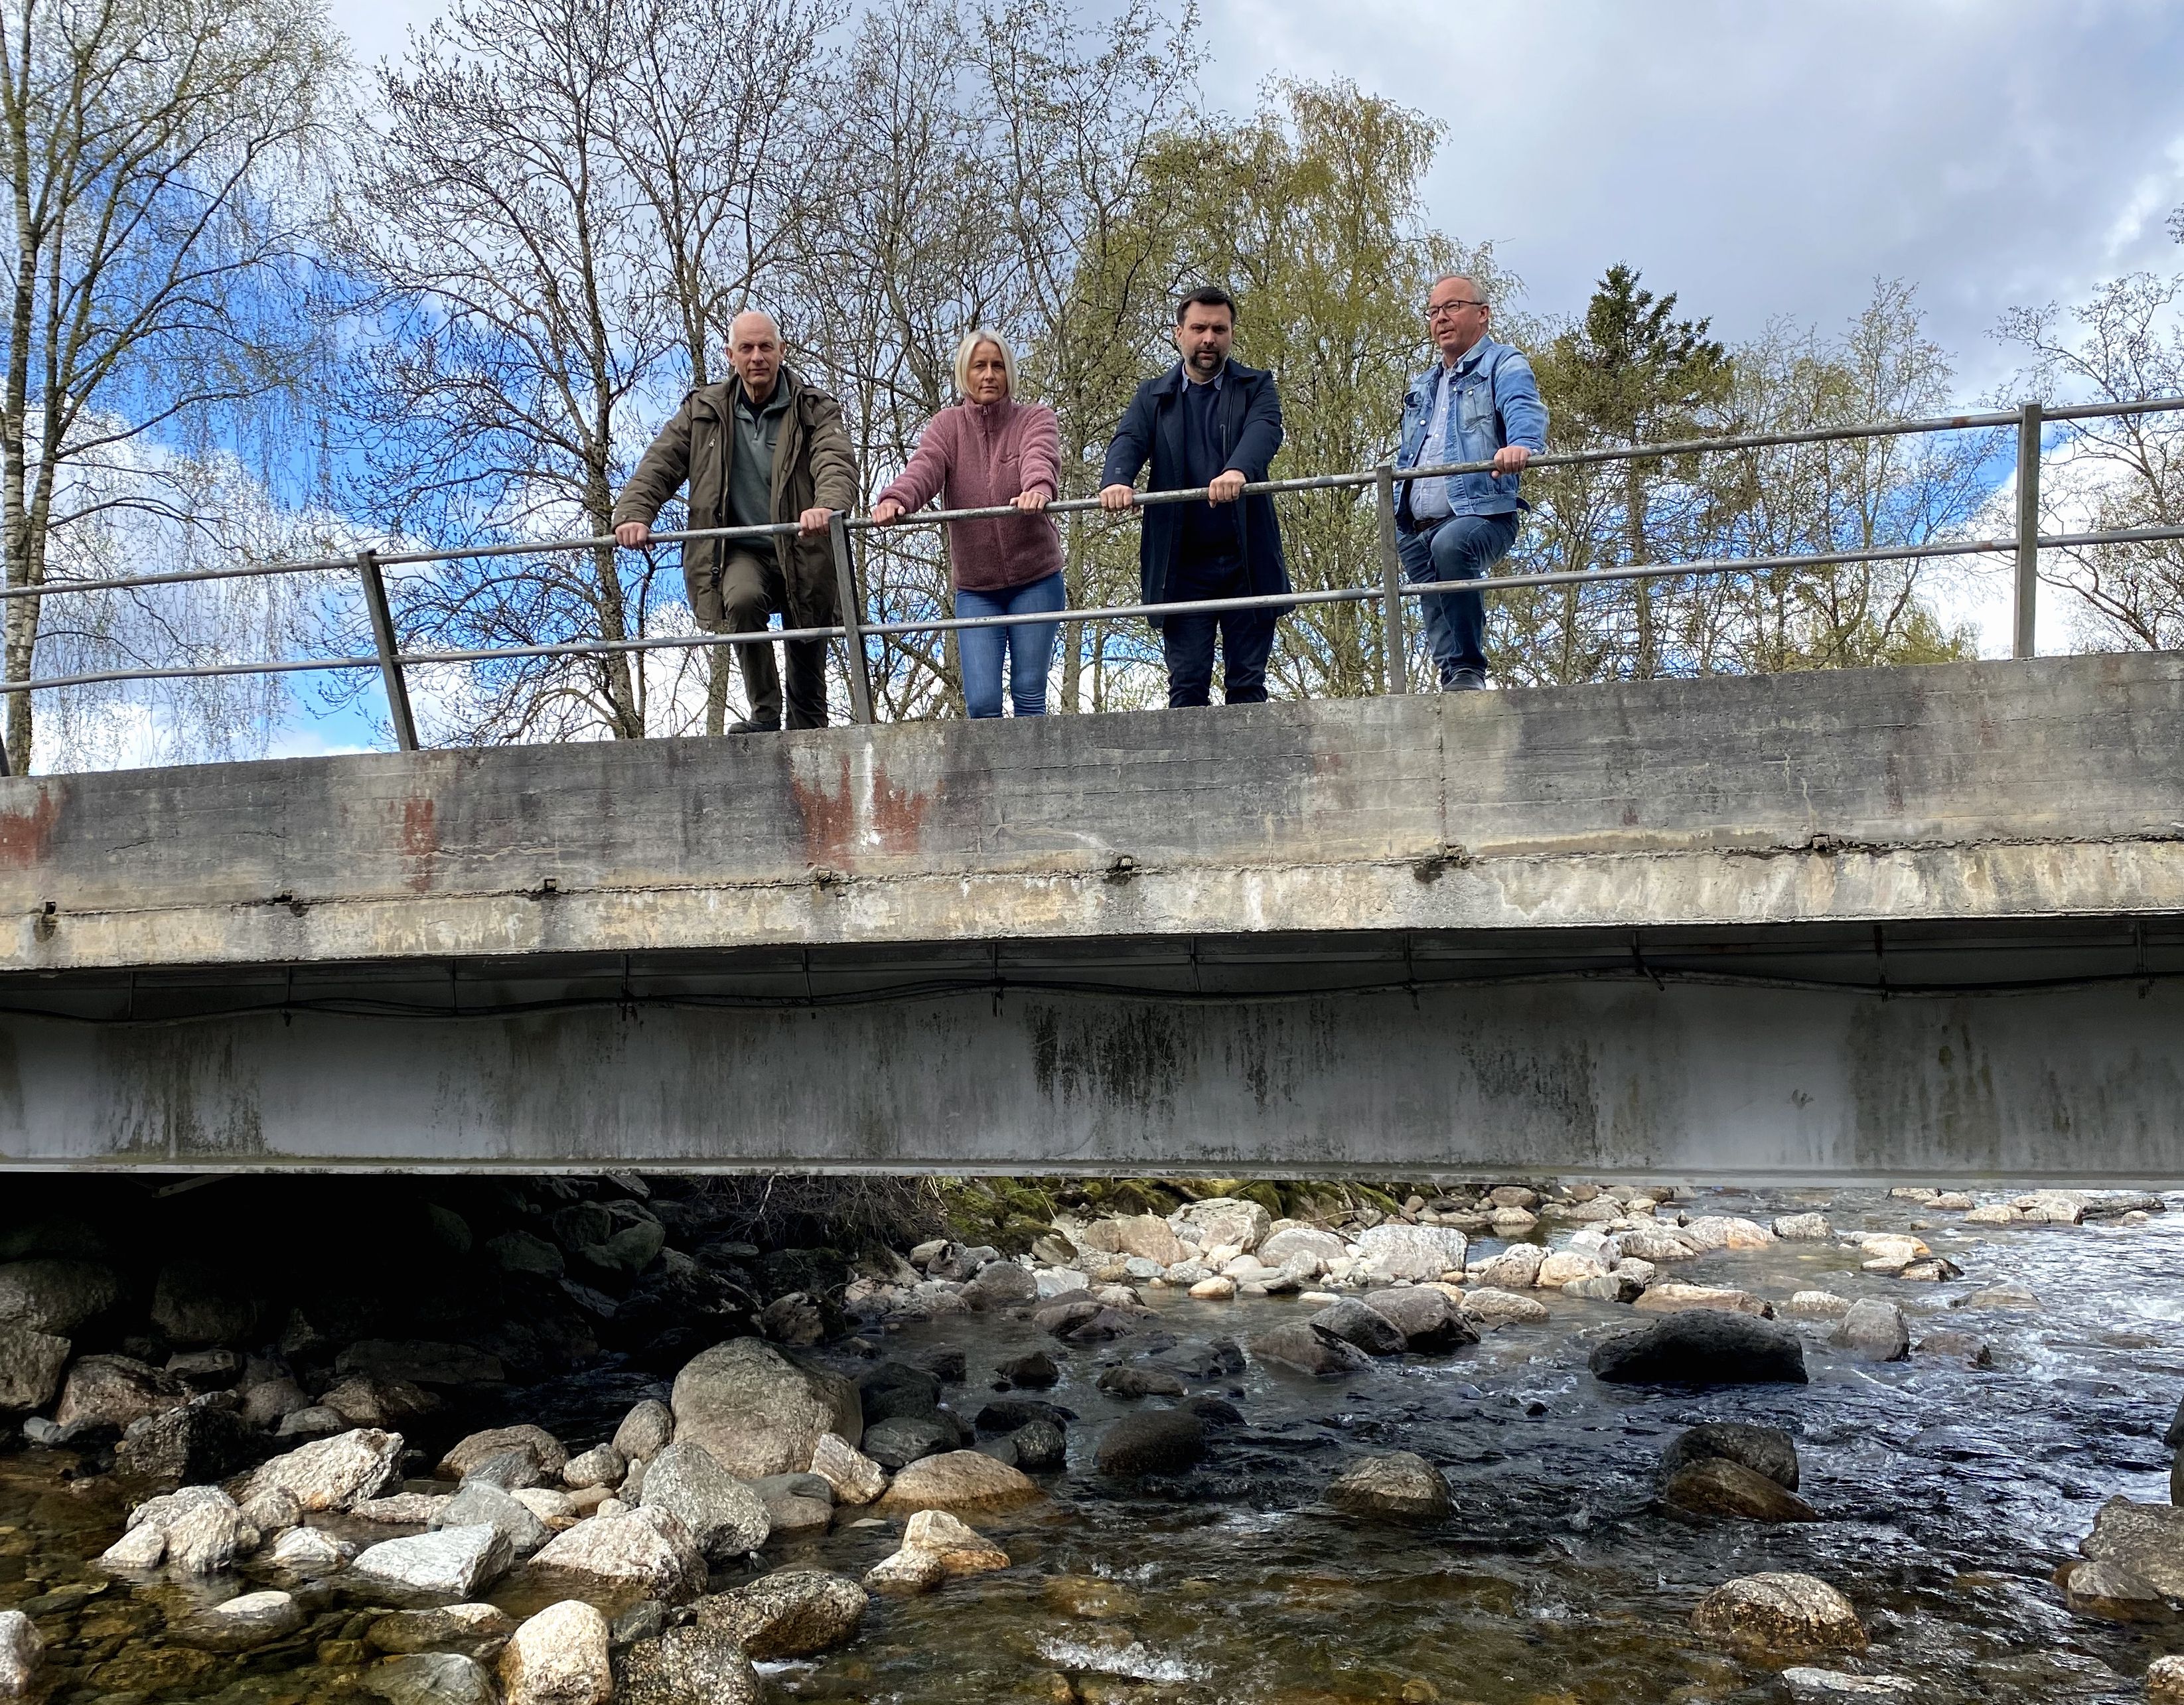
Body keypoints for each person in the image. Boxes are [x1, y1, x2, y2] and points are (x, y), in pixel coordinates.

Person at [613, 310, 857, 732]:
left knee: (809, 649)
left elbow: (835, 461)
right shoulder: (704, 410)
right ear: (731, 355)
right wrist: (635, 513)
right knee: (741, 600)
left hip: (803, 544)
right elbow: (661, 463)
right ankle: (764, 714)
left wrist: (827, 505)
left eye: (766, 346)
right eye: (747, 348)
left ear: (782, 351)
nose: (757, 356)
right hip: (743, 549)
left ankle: (810, 732)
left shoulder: (814, 409)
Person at [1099, 286, 1289, 708]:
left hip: (1247, 559)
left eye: (1219, 329)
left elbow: (1265, 430)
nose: (1209, 339)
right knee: (1186, 686)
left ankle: (1249, 775)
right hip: (1182, 566)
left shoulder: (1256, 386)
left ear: (1231, 335)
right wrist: (1117, 479)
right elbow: (1129, 439)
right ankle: (1190, 778)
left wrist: (1237, 470)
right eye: (1199, 328)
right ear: (1178, 334)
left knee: (1248, 686)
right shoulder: (1153, 396)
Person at [872, 331, 1063, 717]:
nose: (989, 375)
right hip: (977, 589)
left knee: (1029, 692)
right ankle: (994, 780)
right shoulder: (947, 427)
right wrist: (896, 498)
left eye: (997, 366)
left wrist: (1038, 487)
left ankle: (1031, 778)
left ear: (1008, 372)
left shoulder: (1034, 418)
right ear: (965, 374)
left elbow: (1039, 455)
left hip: (1036, 578)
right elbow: (924, 468)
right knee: (982, 702)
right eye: (979, 366)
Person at [1394, 274, 1549, 691]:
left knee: (1452, 548)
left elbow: (1522, 405)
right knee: (1432, 598)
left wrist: (1521, 444)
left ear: (1482, 315)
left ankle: (1468, 670)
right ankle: (1454, 682)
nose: (1441, 318)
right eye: (1433, 311)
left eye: (1452, 307)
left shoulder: (1503, 363)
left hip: (1480, 511)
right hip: (1415, 519)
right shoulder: (1423, 384)